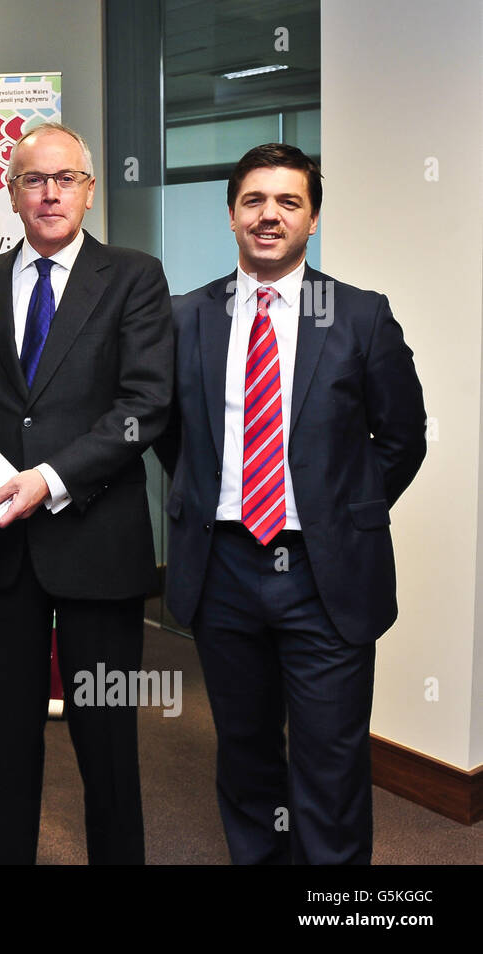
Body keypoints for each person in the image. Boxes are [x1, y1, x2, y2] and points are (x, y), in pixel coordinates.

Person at [153, 143, 426, 864]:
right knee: (244, 751)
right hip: (223, 569)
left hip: (322, 574)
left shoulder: (362, 316)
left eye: (288, 202)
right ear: (232, 214)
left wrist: (342, 515)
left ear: (312, 220)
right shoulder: (185, 317)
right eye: (254, 201)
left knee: (330, 761)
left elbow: (401, 438)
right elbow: (172, 439)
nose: (269, 215)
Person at [0, 122, 173, 865]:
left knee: (105, 741)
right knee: (4, 736)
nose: (49, 193)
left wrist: (51, 478)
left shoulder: (134, 277)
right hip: (2, 545)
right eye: (33, 180)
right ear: (10, 192)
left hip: (96, 543)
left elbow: (144, 406)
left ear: (89, 188)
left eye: (64, 178)